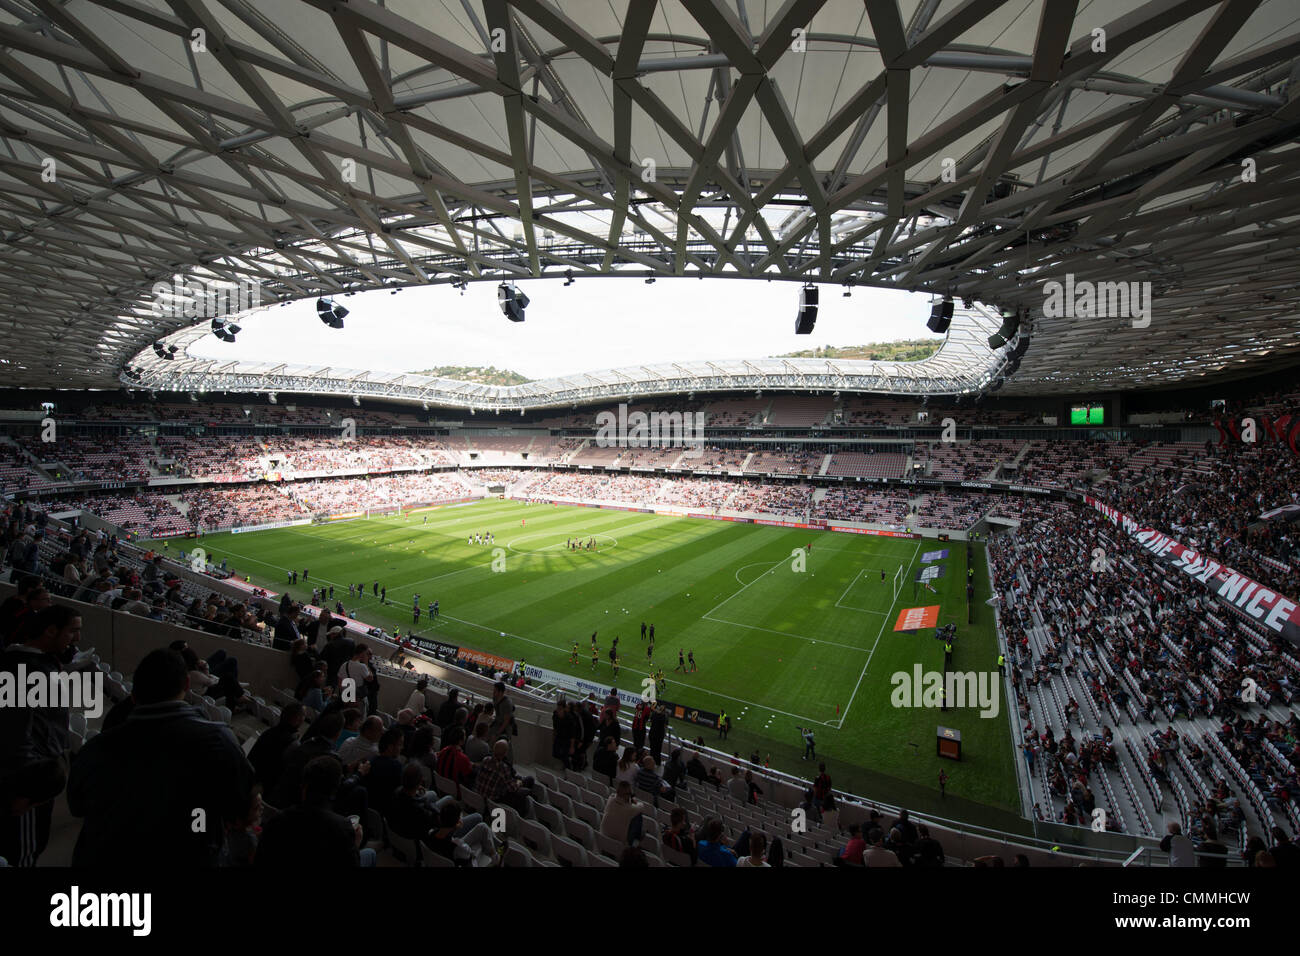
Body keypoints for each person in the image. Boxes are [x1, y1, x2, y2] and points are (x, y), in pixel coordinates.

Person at [68, 648, 254, 867]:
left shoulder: (95, 748)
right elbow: (240, 808)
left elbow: (77, 806)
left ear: (134, 695)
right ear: (186, 685)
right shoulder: (219, 741)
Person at [0, 605, 81, 866]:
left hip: (32, 780)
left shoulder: (27, 664)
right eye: (73, 631)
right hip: (26, 787)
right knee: (21, 856)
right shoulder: (25, 670)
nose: (76, 638)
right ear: (50, 631)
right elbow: (14, 733)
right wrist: (28, 790)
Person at [256, 755, 372, 867]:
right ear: (335, 789)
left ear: (303, 785)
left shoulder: (278, 819)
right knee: (370, 854)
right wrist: (356, 844)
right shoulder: (343, 828)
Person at [600, 780, 646, 846]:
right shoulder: (630, 809)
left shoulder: (610, 799)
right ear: (627, 795)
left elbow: (614, 795)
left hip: (603, 835)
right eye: (630, 794)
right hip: (620, 842)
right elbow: (642, 807)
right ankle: (636, 839)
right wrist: (635, 802)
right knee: (638, 816)